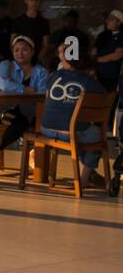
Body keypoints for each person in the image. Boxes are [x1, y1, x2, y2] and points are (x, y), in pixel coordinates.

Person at [41, 53, 107, 188]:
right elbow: (104, 97)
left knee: (83, 133)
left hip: (46, 129)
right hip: (70, 133)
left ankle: (90, 173)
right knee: (98, 135)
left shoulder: (55, 75)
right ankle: (84, 179)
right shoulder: (89, 82)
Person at [0, 34, 50, 164]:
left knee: (41, 120)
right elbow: (3, 84)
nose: (20, 53)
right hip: (6, 110)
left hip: (33, 112)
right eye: (16, 50)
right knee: (21, 121)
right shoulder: (6, 65)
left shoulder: (41, 72)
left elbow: (41, 95)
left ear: (33, 52)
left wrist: (14, 89)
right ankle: (28, 150)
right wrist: (25, 89)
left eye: (25, 49)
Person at [10, 0, 51, 69]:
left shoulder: (43, 22)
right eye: (31, 0)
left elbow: (46, 45)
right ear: (26, 1)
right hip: (20, 61)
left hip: (37, 61)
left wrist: (36, 59)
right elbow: (12, 42)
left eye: (37, 0)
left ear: (40, 2)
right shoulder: (18, 21)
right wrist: (19, 57)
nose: (34, 3)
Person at [92, 9, 123, 93]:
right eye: (107, 19)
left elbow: (117, 55)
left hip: (113, 78)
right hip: (98, 77)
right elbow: (94, 50)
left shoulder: (121, 37)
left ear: (119, 22)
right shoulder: (103, 35)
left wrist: (97, 59)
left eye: (110, 19)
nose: (107, 21)